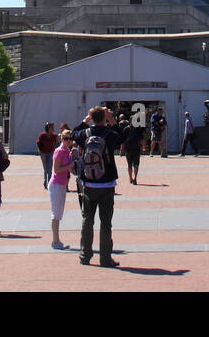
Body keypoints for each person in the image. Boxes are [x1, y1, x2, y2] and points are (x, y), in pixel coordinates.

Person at [72, 106, 126, 267]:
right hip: (107, 182)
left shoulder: (85, 134)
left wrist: (85, 120)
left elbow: (74, 133)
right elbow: (123, 137)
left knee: (87, 220)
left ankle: (85, 255)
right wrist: (112, 119)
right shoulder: (109, 134)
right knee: (105, 223)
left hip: (88, 183)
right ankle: (105, 258)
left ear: (92, 118)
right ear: (104, 118)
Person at [49, 128, 74, 249]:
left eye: (69, 139)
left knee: (59, 212)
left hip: (62, 184)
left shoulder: (67, 151)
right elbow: (57, 169)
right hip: (56, 184)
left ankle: (57, 240)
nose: (67, 141)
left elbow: (70, 169)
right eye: (65, 138)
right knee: (56, 213)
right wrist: (70, 165)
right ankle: (55, 241)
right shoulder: (59, 151)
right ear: (61, 138)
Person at [122, 117, 143, 184]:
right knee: (136, 164)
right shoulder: (138, 129)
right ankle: (135, 178)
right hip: (136, 148)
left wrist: (121, 149)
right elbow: (142, 138)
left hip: (128, 148)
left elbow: (123, 140)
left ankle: (130, 178)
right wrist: (143, 146)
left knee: (129, 165)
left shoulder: (126, 129)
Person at [36, 122, 58, 189]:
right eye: (51, 128)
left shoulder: (54, 136)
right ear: (48, 128)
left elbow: (57, 143)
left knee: (50, 169)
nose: (53, 129)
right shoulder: (43, 135)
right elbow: (38, 142)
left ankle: (49, 183)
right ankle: (45, 182)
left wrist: (56, 150)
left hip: (51, 152)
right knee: (45, 169)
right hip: (43, 153)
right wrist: (39, 150)